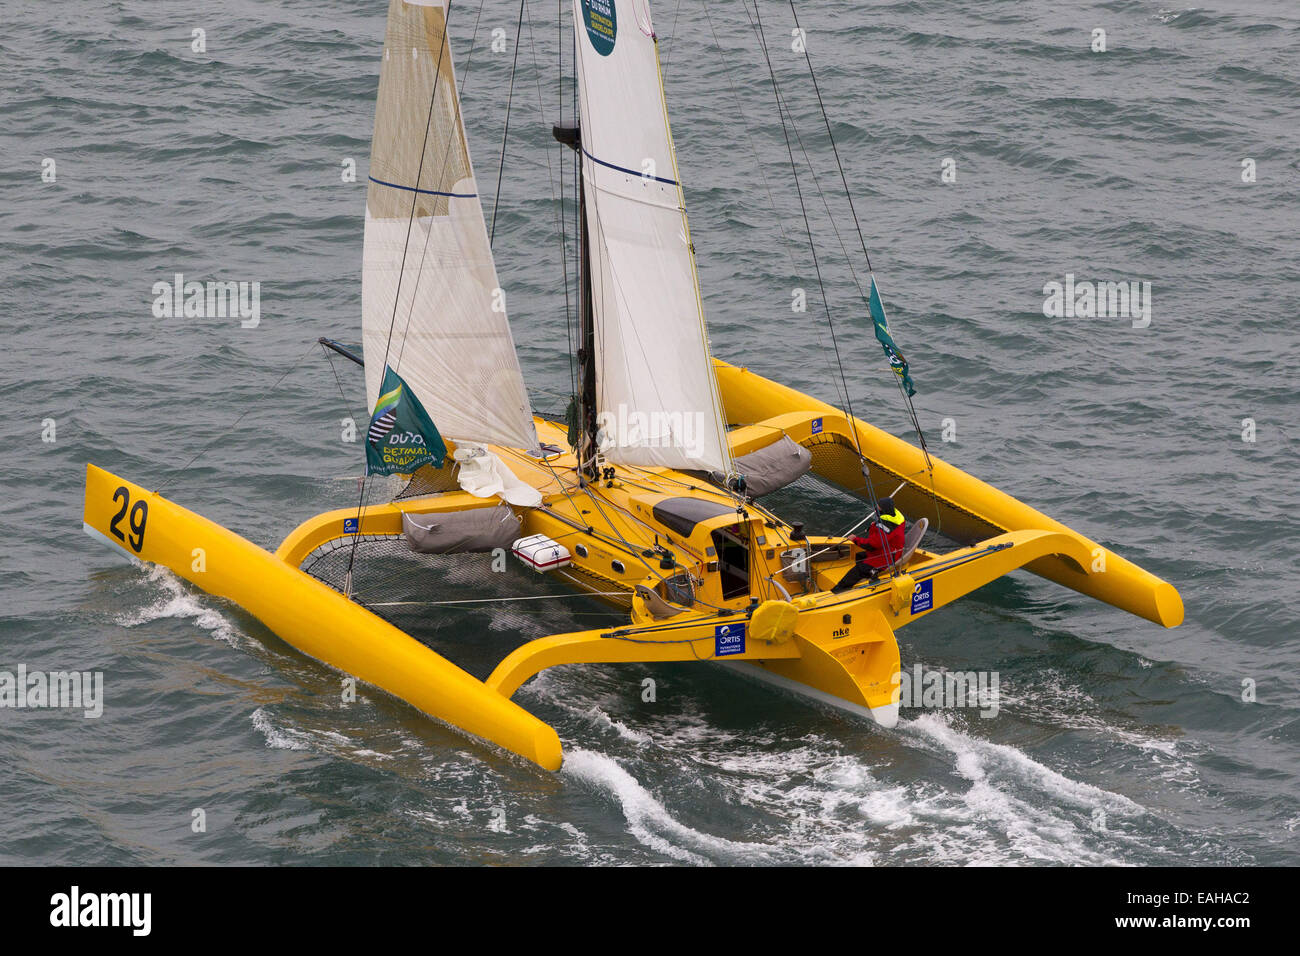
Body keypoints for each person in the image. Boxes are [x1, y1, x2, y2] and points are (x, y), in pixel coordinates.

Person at [831, 497, 906, 592]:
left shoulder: (885, 525)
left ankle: (838, 590)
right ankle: (868, 574)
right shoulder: (896, 518)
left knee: (857, 570)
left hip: (887, 556)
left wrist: (855, 539)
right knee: (859, 556)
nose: (876, 509)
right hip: (891, 550)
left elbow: (872, 545)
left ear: (883, 510)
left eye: (878, 508)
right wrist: (876, 525)